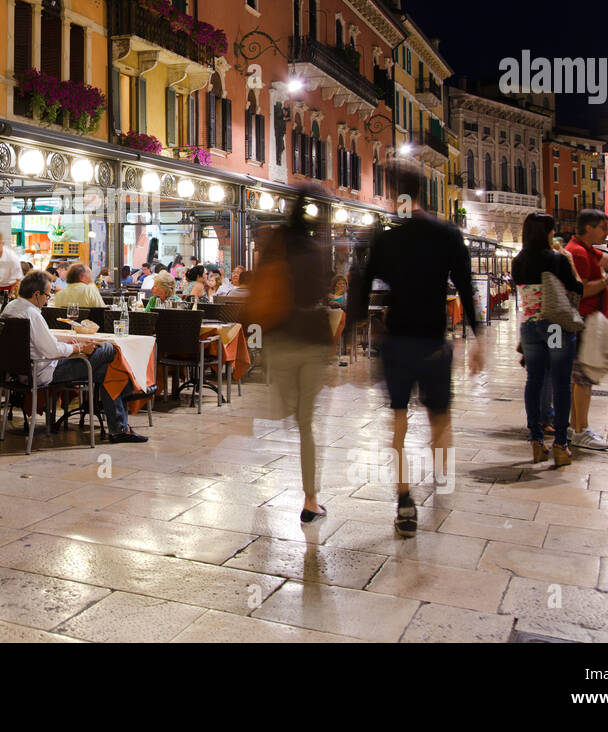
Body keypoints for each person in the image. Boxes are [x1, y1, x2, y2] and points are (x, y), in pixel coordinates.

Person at [352, 159, 484, 537]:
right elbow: (465, 286)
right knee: (439, 418)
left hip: (396, 343)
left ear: (394, 194)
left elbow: (359, 287)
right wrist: (478, 337)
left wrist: (359, 334)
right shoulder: (447, 235)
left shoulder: (386, 238)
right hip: (432, 344)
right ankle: (441, 475)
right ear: (425, 191)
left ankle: (404, 499)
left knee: (398, 421)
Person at [250, 195, 336, 524]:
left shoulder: (274, 244)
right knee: (307, 425)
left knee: (291, 413)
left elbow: (259, 289)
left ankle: (287, 409)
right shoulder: (317, 251)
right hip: (311, 340)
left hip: (282, 340)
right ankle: (311, 499)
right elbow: (321, 293)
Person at [2, 271, 146, 443]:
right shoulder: (32, 313)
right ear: (37, 295)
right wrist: (79, 347)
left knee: (108, 371)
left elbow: (36, 341)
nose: (48, 300)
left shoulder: (10, 308)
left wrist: (70, 346)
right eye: (47, 295)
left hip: (18, 373)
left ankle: (120, 428)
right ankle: (130, 398)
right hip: (44, 371)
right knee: (110, 348)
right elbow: (52, 351)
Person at [512, 212, 585, 466]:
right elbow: (577, 289)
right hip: (554, 327)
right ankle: (561, 444)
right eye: (552, 231)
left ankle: (535, 441)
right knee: (561, 382)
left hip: (530, 328)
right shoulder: (557, 259)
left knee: (534, 381)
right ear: (547, 233)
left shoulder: (517, 261)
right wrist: (569, 262)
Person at [565, 209, 608, 451]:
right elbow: (581, 289)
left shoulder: (586, 250)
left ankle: (576, 427)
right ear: (589, 228)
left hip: (588, 318)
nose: (606, 232)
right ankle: (580, 430)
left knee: (582, 378)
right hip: (583, 318)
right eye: (604, 228)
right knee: (584, 377)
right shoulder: (578, 253)